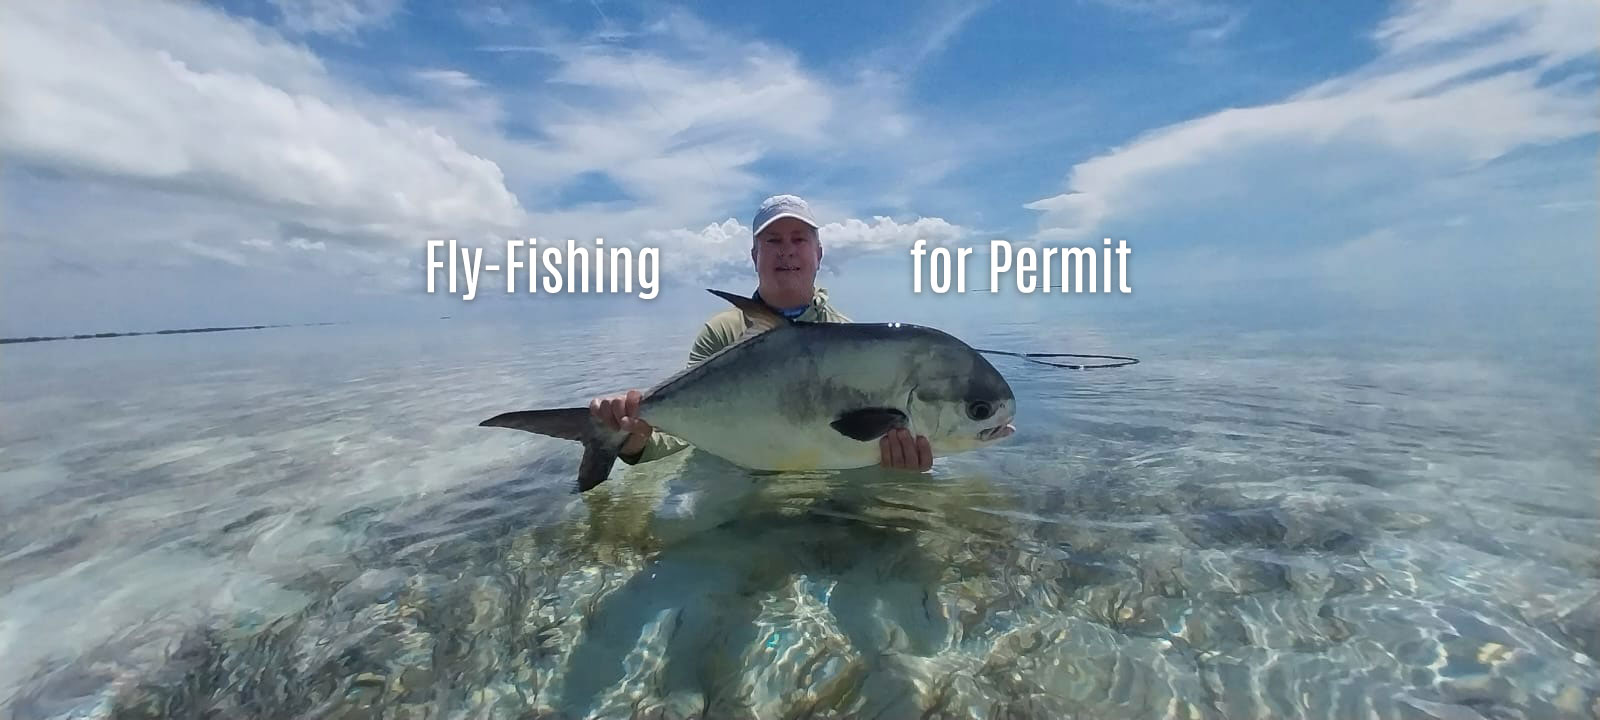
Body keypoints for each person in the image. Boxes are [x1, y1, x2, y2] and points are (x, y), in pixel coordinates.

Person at [588, 193, 934, 472]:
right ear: (755, 255)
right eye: (773, 240)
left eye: (799, 239)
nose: (787, 249)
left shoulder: (845, 336)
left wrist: (894, 464)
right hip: (737, 491)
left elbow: (855, 441)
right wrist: (632, 440)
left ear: (819, 254)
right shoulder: (723, 332)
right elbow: (682, 438)